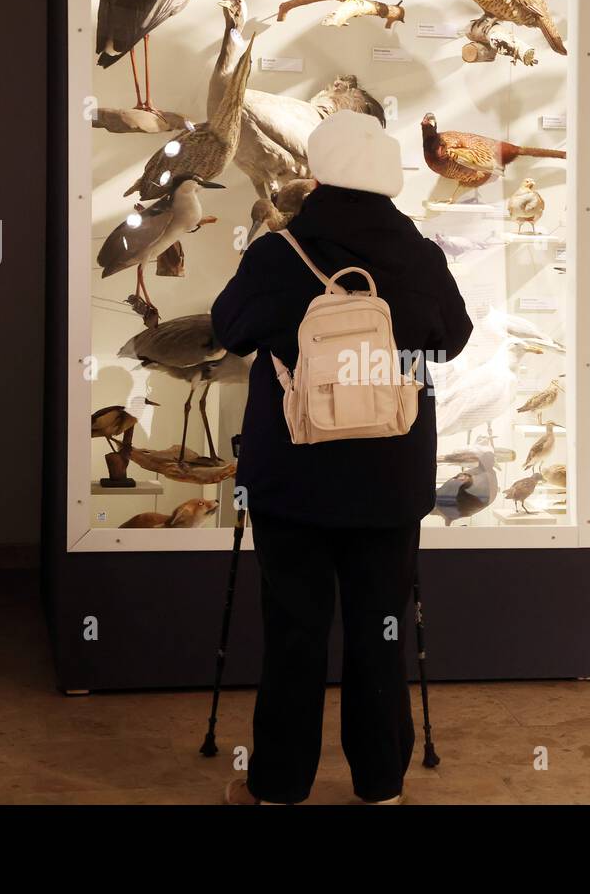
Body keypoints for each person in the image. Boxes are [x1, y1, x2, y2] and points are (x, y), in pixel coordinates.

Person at [211, 110, 473, 805]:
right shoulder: (419, 255)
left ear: (318, 170)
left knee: (294, 633)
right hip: (390, 480)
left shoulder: (280, 252)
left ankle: (278, 786)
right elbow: (450, 341)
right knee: (379, 630)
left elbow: (230, 330)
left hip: (292, 477)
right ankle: (380, 784)